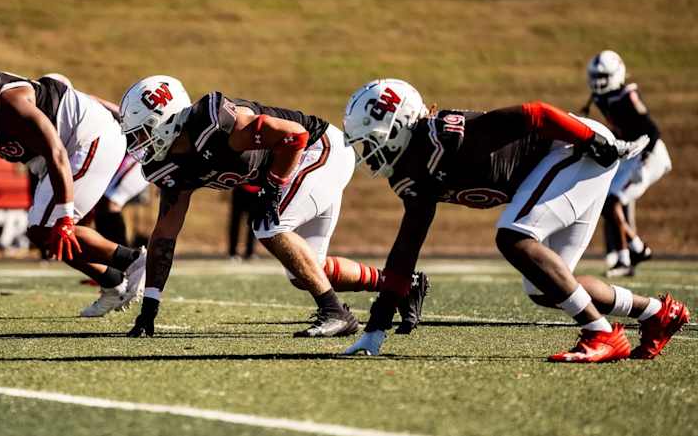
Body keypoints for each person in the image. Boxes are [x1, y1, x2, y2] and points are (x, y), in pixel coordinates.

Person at [340, 79, 688, 362]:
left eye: (372, 142)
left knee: (514, 237)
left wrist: (593, 141)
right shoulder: (409, 173)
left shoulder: (449, 139)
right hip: (570, 158)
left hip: (574, 148)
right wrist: (375, 330)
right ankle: (658, 313)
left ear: (398, 128)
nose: (368, 155)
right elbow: (406, 250)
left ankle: (600, 333)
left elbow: (537, 115)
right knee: (545, 286)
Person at [119, 75, 428, 338]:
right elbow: (164, 236)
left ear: (168, 120)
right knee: (305, 272)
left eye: (143, 132)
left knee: (268, 227)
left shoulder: (218, 125)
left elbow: (295, 136)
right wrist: (150, 306)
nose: (139, 144)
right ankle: (402, 285)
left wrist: (271, 189)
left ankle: (335, 313)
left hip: (318, 150)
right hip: (298, 164)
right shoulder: (171, 165)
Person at [0, 47, 147, 318]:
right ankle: (112, 281)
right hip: (59, 154)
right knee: (41, 233)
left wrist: (66, 217)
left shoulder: (7, 100)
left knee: (47, 229)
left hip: (87, 137)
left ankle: (135, 261)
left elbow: (55, 151)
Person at [581, 50, 672, 277]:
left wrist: (643, 159)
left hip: (649, 156)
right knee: (605, 201)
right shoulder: (603, 98)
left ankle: (626, 258)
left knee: (612, 201)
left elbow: (652, 130)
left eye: (602, 77)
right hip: (633, 154)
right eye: (595, 77)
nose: (598, 82)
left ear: (616, 74)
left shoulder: (627, 95)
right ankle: (636, 249)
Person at [228, 184, 259, 259]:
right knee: (235, 222)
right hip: (240, 189)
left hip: (257, 192)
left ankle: (250, 252)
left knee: (254, 224)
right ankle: (232, 252)